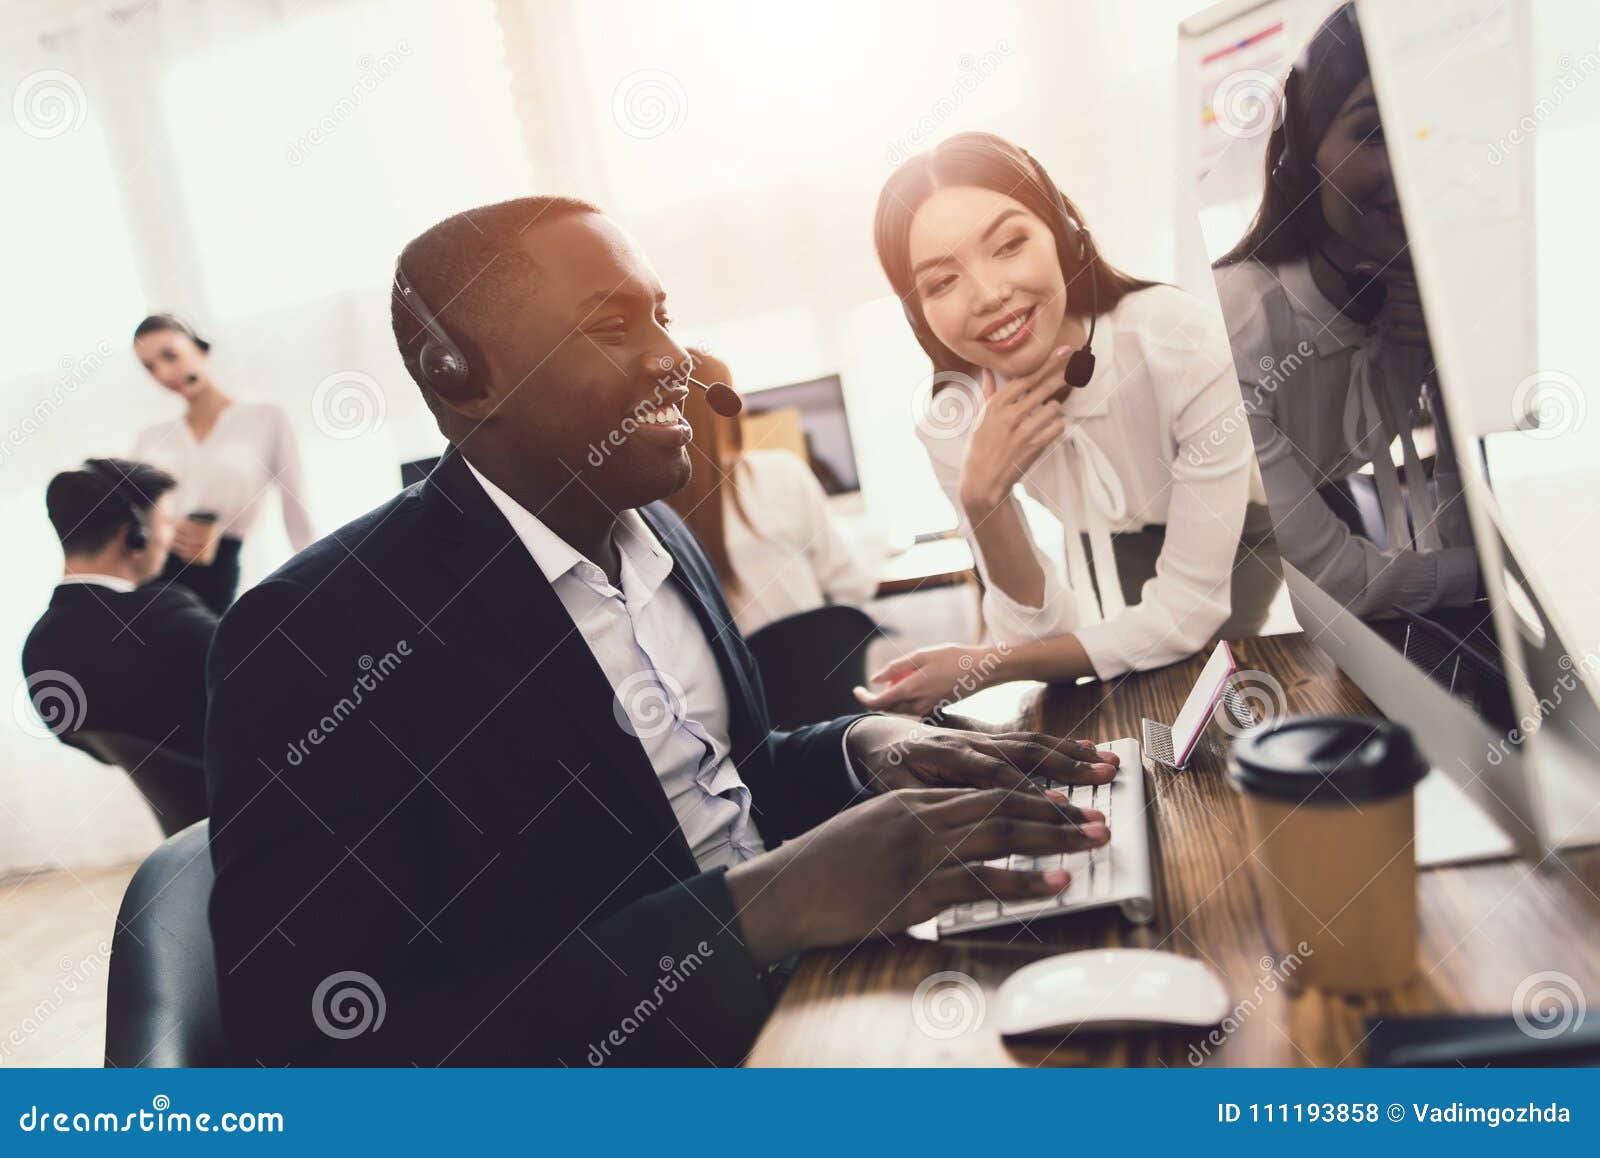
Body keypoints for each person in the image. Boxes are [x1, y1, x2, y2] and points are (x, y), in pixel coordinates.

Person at [204, 195, 1124, 1066]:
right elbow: (320, 1049)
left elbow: (716, 784)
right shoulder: (315, 634)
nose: (671, 356)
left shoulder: (656, 529)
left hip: (821, 997)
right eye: (612, 325)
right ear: (464, 375)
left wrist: (858, 747)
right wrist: (759, 908)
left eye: (662, 314)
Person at [859, 131, 1280, 716]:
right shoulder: (953, 422)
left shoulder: (1173, 339)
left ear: (1063, 235)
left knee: (1237, 700)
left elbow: (1184, 616)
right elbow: (1041, 637)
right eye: (942, 281)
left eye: (1008, 245)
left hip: (1254, 532)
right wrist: (984, 500)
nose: (988, 295)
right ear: (919, 312)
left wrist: (991, 669)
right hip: (1110, 542)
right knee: (1138, 716)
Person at [1212, 3, 1476, 621]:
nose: (1409, 169)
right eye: (1375, 132)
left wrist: (1452, 367)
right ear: (1304, 152)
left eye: (1429, 133)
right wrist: (1481, 577)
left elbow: (1472, 534)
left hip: (1322, 515)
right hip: (1222, 557)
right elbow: (1339, 579)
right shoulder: (1240, 320)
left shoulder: (1420, 301)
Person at [21, 459, 216, 784]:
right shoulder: (163, 612)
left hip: (192, 814)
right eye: (166, 523)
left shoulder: (37, 651)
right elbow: (253, 666)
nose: (171, 539)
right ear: (135, 536)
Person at [663, 348, 877, 636]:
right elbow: (853, 585)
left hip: (737, 679)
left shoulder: (653, 512)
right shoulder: (782, 471)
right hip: (822, 668)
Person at [129, 313, 315, 614]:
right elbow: (128, 516)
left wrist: (320, 581)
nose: (163, 373)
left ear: (199, 347)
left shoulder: (266, 419)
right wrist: (165, 527)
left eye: (170, 355)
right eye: (150, 367)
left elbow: (297, 510)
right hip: (154, 576)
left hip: (219, 573)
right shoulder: (150, 438)